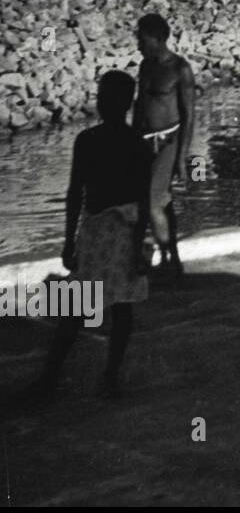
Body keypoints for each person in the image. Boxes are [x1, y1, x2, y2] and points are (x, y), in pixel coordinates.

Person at [25, 71, 152, 399]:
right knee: (119, 307)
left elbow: (74, 194)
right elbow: (144, 199)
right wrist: (139, 246)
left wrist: (69, 239)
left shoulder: (89, 140)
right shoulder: (137, 143)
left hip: (97, 230)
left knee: (80, 307)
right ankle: (108, 376)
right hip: (121, 231)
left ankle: (53, 377)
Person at [134, 13, 194, 279]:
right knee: (162, 201)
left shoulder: (180, 69)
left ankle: (168, 258)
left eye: (142, 39)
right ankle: (173, 259)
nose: (138, 44)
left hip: (168, 142)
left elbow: (189, 115)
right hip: (144, 142)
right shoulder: (145, 66)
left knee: (152, 201)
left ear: (159, 39)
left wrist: (182, 157)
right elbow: (140, 105)